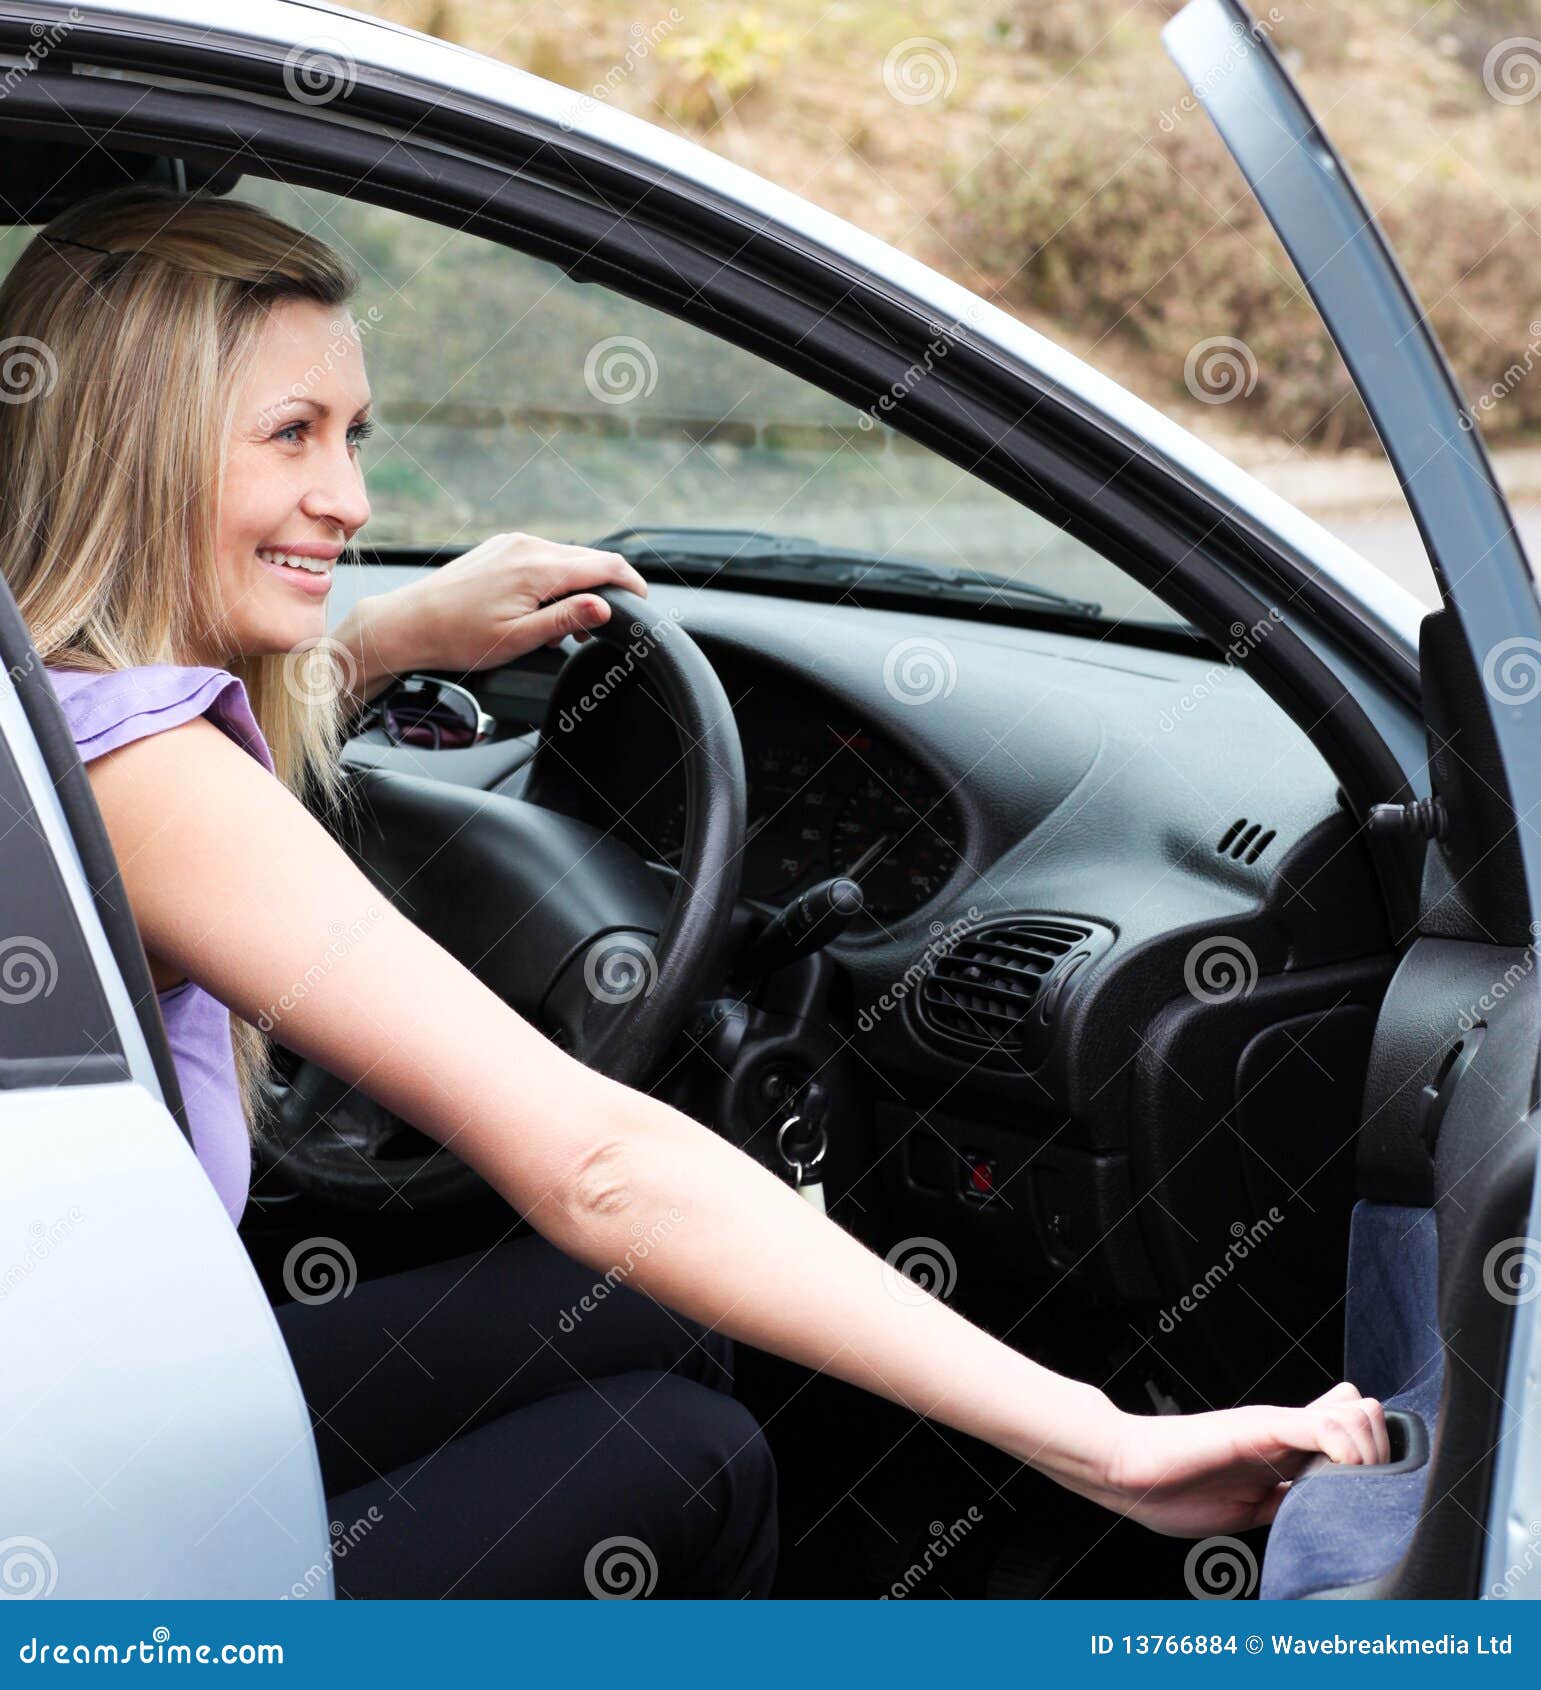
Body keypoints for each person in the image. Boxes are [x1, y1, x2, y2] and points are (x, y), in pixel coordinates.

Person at [0, 186, 1388, 1600]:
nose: (349, 501)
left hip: (72, 1424)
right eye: (289, 437)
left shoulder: (50, 722)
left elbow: (189, 810)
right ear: (136, 452)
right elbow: (593, 1161)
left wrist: (379, 643)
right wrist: (1097, 1437)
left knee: (641, 1316)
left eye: (354, 436)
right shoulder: (152, 773)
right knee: (680, 1460)